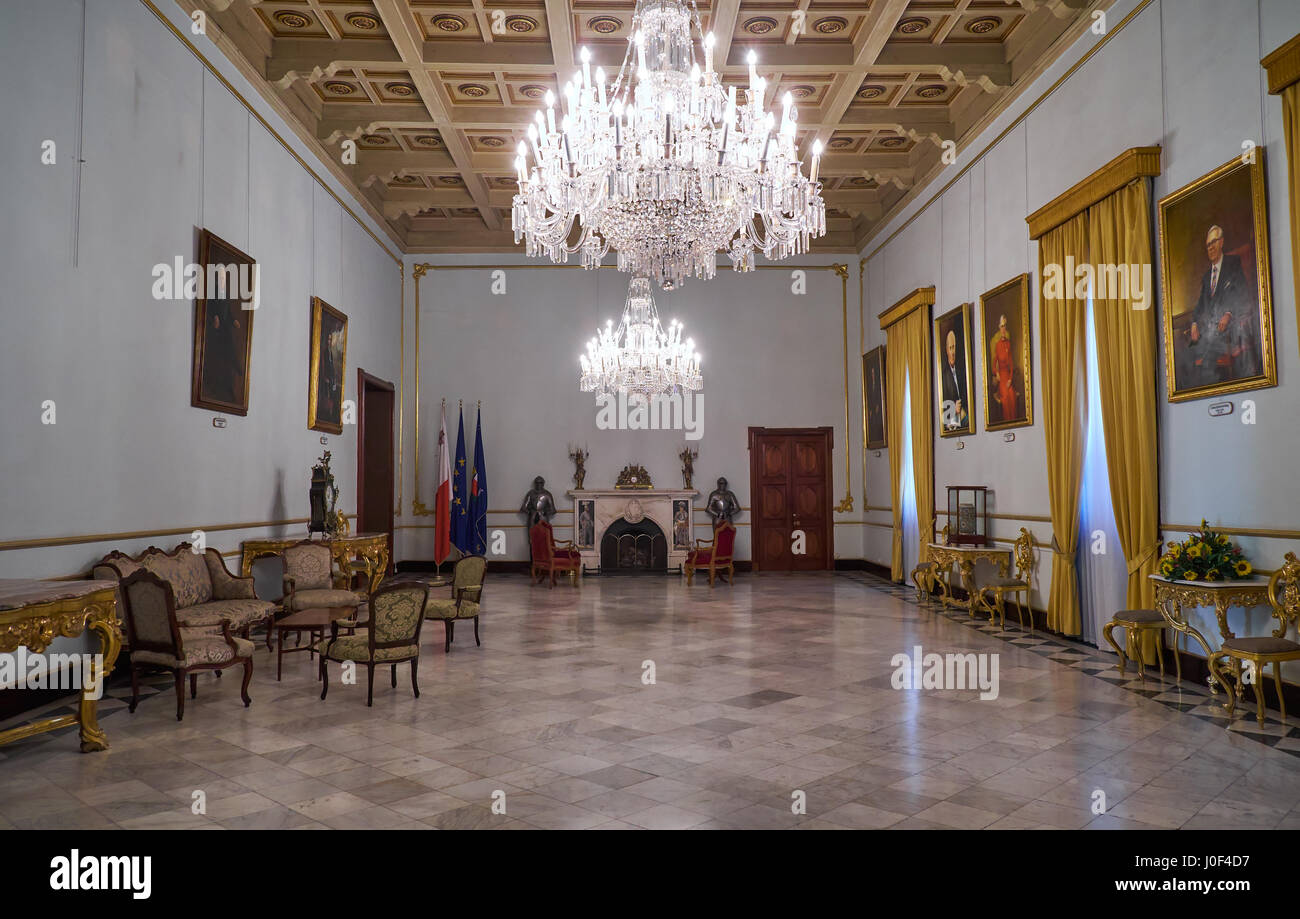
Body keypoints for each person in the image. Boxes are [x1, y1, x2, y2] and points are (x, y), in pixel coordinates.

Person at [1182, 224, 1258, 389]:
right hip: (1208, 332)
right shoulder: (1206, 277)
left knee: (1208, 362)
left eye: (1214, 242)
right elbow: (1200, 305)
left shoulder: (1233, 264)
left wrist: (1229, 313)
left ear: (1221, 242)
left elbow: (1242, 294)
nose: (1211, 247)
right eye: (1208, 244)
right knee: (1183, 358)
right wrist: (1194, 323)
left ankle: (1213, 398)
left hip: (1229, 330)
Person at [988, 314, 1017, 423]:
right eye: (1002, 326)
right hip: (1001, 377)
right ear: (999, 328)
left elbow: (1011, 363)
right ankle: (1008, 423)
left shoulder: (1008, 343)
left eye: (1005, 326)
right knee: (1005, 399)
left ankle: (1014, 422)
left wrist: (1010, 379)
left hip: (1007, 377)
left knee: (1012, 397)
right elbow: (994, 363)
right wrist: (997, 373)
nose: (1003, 328)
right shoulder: (997, 344)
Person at [940, 327, 968, 431]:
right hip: (951, 422)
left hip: (963, 417)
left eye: (954, 347)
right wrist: (954, 410)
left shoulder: (961, 372)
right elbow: (943, 414)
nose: (952, 352)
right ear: (947, 350)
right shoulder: (943, 376)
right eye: (950, 348)